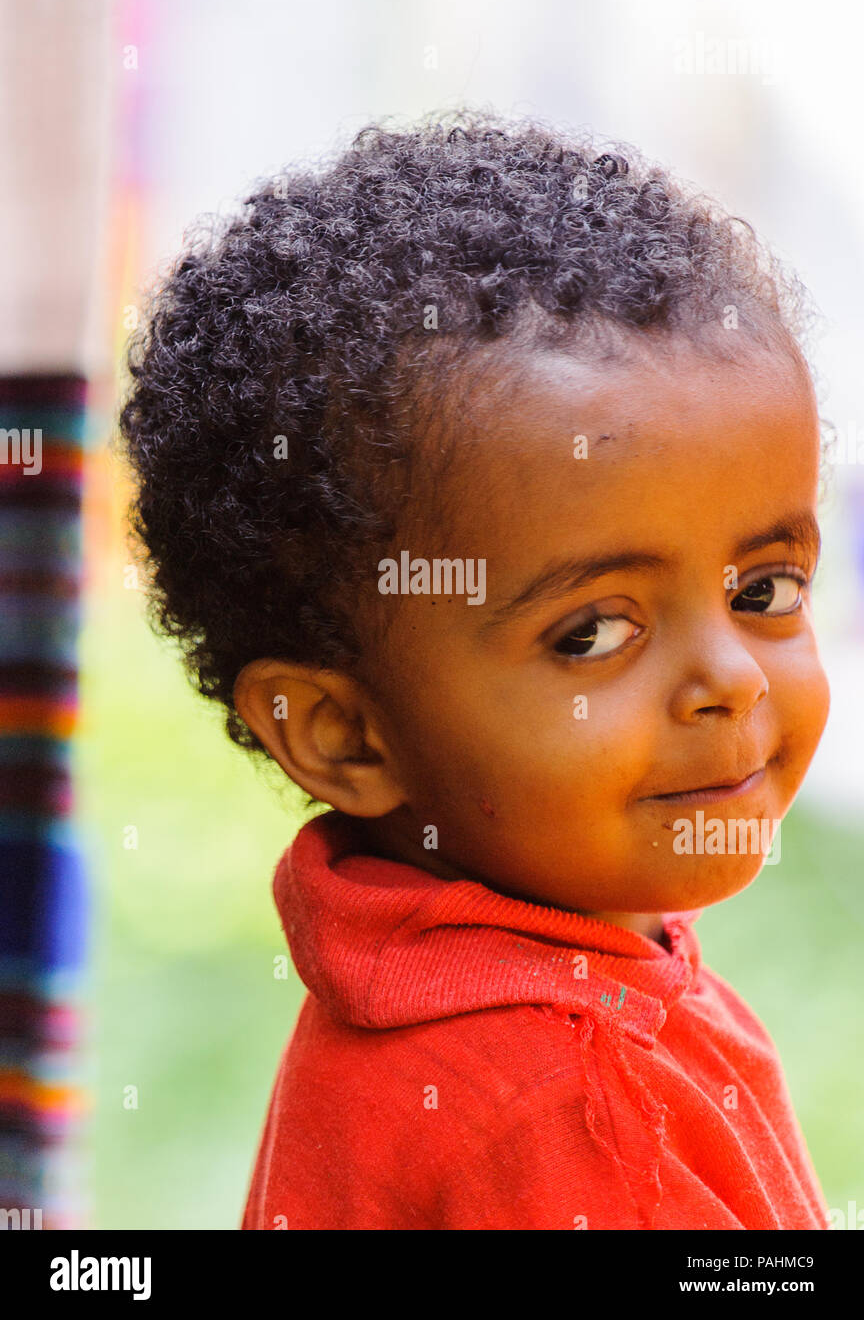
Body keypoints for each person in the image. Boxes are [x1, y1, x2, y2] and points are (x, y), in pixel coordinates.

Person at [118, 109, 831, 1229]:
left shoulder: (457, 993)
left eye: (766, 590)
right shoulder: (575, 1104)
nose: (733, 677)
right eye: (592, 633)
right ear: (345, 732)